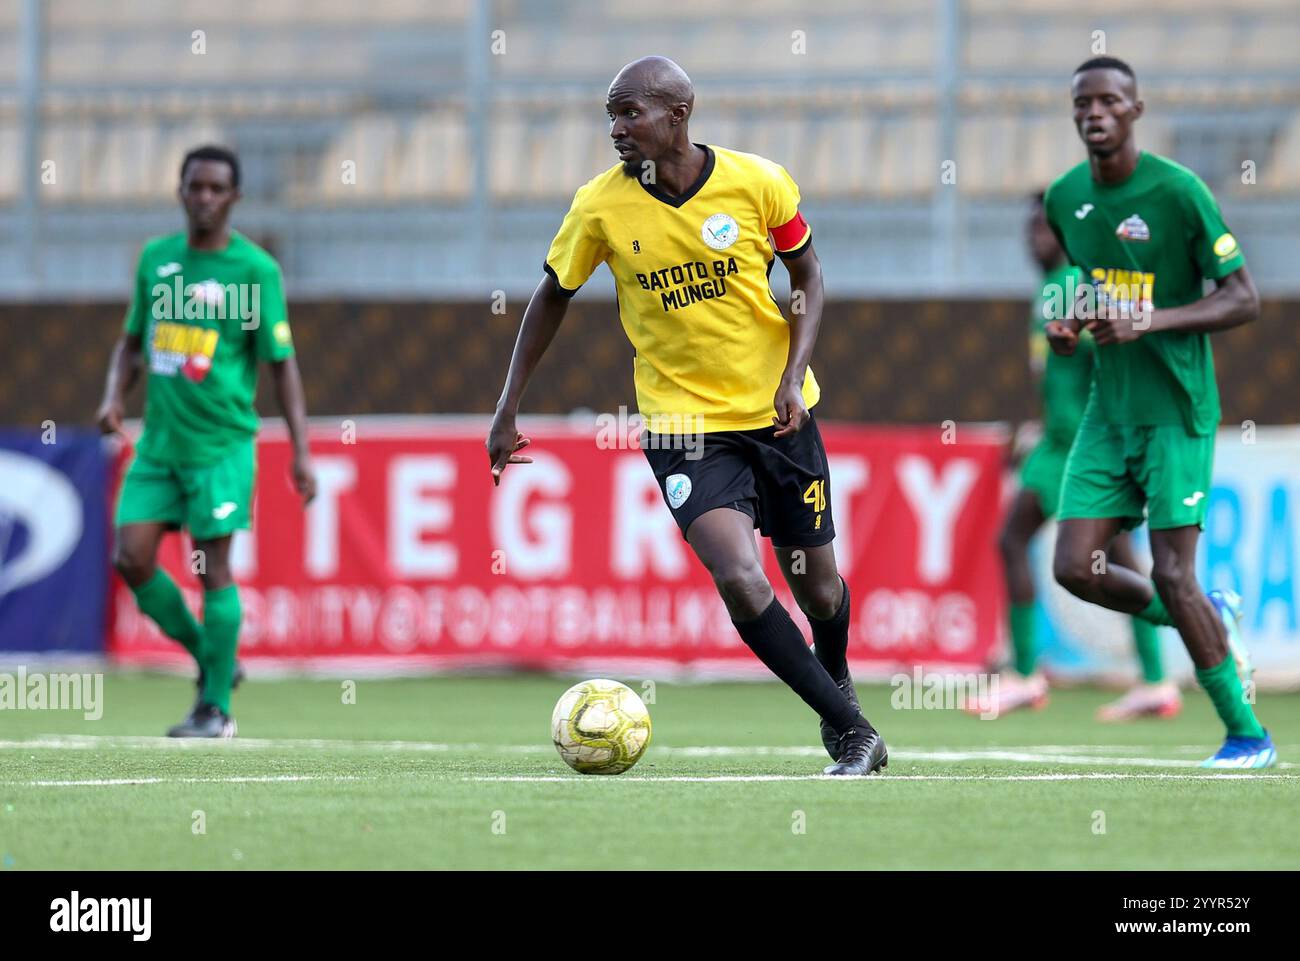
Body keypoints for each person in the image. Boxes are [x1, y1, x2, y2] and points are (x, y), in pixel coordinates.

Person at [486, 57, 885, 775]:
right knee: (739, 574)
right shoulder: (599, 205)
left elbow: (809, 274)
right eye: (610, 115)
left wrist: (794, 374)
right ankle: (852, 727)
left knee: (819, 588)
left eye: (629, 112)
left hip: (778, 416)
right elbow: (552, 294)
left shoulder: (758, 182)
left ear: (679, 113)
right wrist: (507, 405)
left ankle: (837, 675)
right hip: (682, 427)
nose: (616, 129)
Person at [1044, 58, 1273, 768]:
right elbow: (1091, 278)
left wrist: (1152, 319)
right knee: (1075, 567)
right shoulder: (1066, 197)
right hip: (1107, 414)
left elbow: (1243, 296)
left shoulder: (1179, 193)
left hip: (1176, 412)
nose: (1095, 112)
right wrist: (1074, 320)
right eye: (1084, 102)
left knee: (1176, 574)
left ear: (1137, 109)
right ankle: (1211, 618)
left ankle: (1247, 734)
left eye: (1110, 100)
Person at [97, 145, 317, 738]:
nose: (204, 198)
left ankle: (215, 708)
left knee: (213, 567)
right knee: (131, 557)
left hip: (221, 446)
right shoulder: (156, 260)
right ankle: (211, 657)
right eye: (195, 187)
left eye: (217, 189)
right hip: (159, 447)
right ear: (181, 191)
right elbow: (130, 341)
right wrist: (114, 395)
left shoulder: (256, 271)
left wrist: (300, 448)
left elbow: (282, 363)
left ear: (235, 198)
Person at [989, 191, 1179, 721]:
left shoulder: (1074, 285)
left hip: (1084, 450)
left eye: (1045, 229)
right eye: (1030, 228)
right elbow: (1060, 375)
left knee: (1058, 550)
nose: (1035, 237)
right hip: (1056, 443)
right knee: (1087, 554)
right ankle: (1155, 678)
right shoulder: (1050, 287)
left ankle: (1029, 674)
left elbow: (1117, 347)